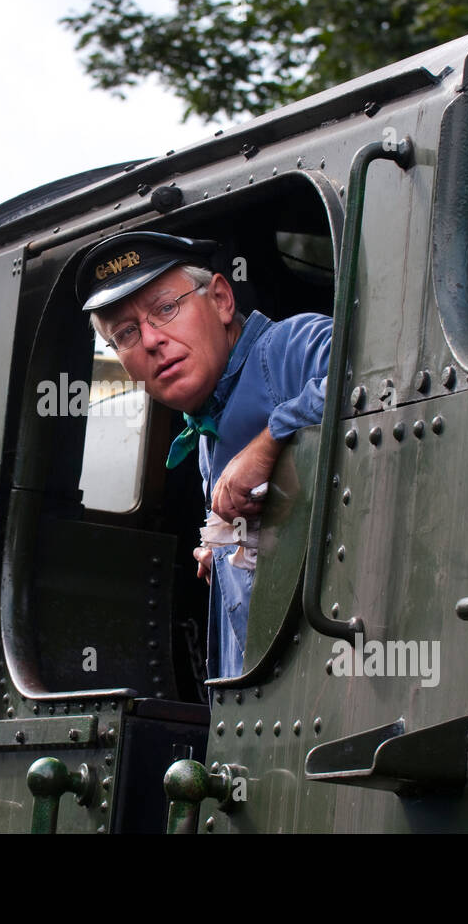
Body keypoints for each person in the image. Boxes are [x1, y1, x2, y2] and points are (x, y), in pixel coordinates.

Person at [76, 231, 332, 680]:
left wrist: (272, 439)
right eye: (127, 333)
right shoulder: (208, 427)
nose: (152, 340)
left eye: (165, 309)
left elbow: (373, 374)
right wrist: (231, 557)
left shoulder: (291, 347)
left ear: (220, 299)